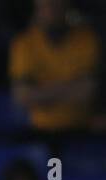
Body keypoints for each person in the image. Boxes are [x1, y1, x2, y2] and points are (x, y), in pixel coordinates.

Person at [11, 0, 100, 133]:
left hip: (82, 130)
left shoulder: (86, 39)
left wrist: (41, 92)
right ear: (36, 8)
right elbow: (22, 96)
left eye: (56, 5)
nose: (50, 11)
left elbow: (87, 92)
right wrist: (70, 89)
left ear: (66, 6)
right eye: (45, 6)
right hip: (38, 131)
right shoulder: (24, 43)